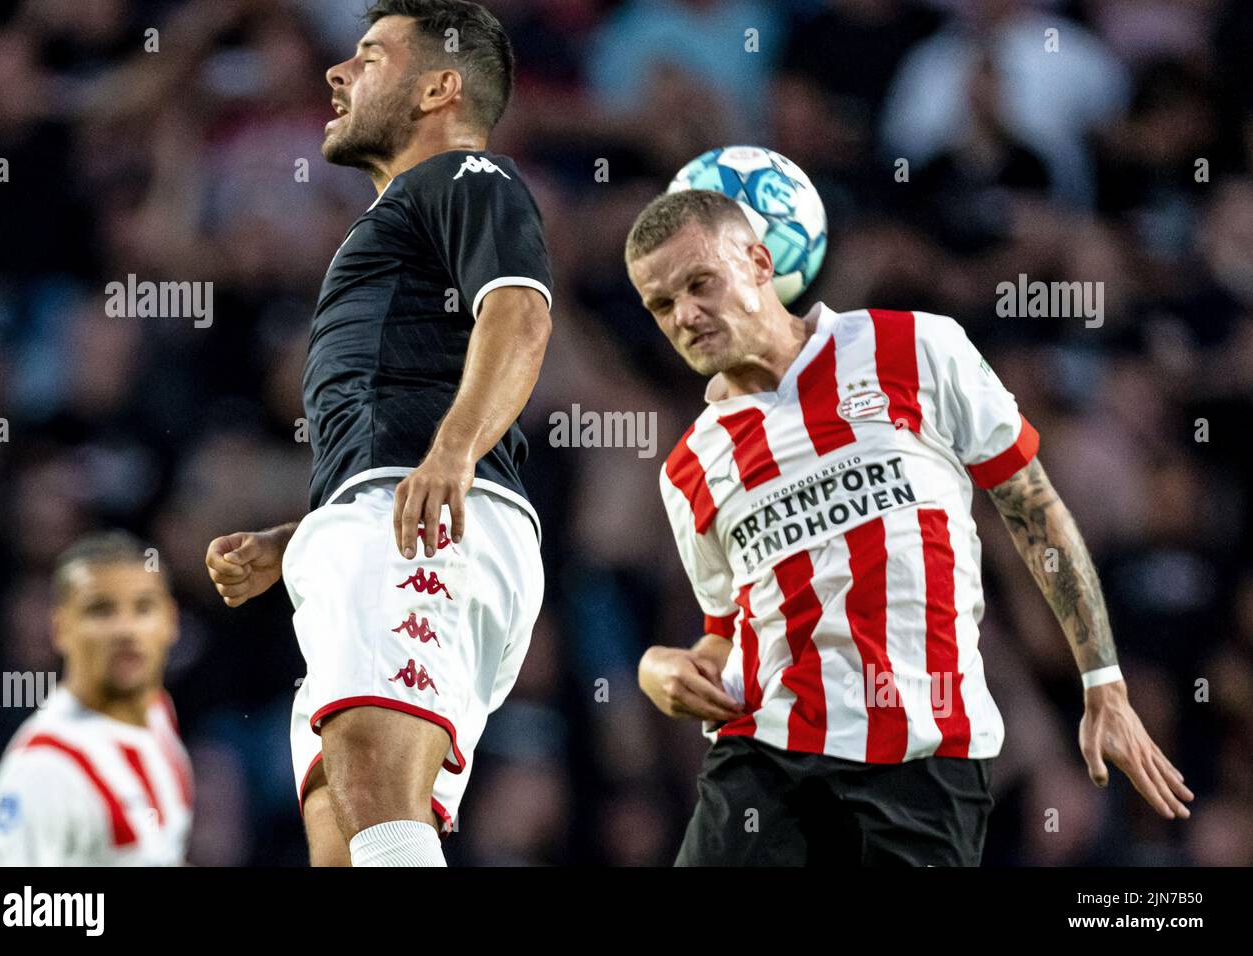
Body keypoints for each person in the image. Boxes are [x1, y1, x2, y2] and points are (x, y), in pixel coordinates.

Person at [626, 188, 1193, 866]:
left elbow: (1033, 509)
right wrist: (658, 668)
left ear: (755, 262)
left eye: (699, 283)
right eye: (660, 306)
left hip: (927, 756)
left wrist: (1104, 682)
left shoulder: (915, 345)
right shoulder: (690, 466)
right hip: (767, 756)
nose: (685, 315)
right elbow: (729, 637)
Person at [204, 0, 552, 867]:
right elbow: (399, 410)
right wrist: (299, 536)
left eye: (369, 55)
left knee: (370, 783)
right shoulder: (397, 220)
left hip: (420, 528)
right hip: (386, 524)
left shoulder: (469, 178)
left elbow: (518, 313)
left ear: (440, 85)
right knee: (351, 836)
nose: (337, 71)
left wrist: (454, 450)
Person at [0, 531, 192, 866]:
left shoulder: (158, 712)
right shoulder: (43, 769)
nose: (126, 629)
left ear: (171, 620)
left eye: (143, 608)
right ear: (61, 629)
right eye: (101, 610)